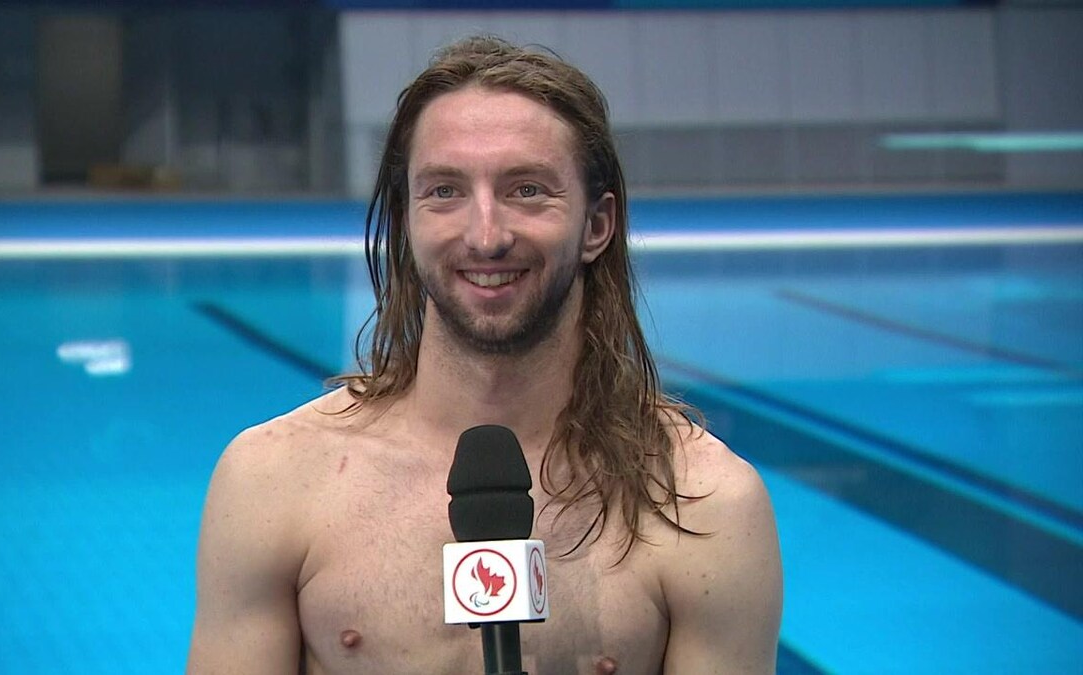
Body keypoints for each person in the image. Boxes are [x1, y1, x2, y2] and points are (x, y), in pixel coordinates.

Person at [187, 35, 782, 675]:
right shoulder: (275, 480)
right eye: (445, 191)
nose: (486, 235)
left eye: (527, 190)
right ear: (407, 220)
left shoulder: (704, 504)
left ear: (596, 225)